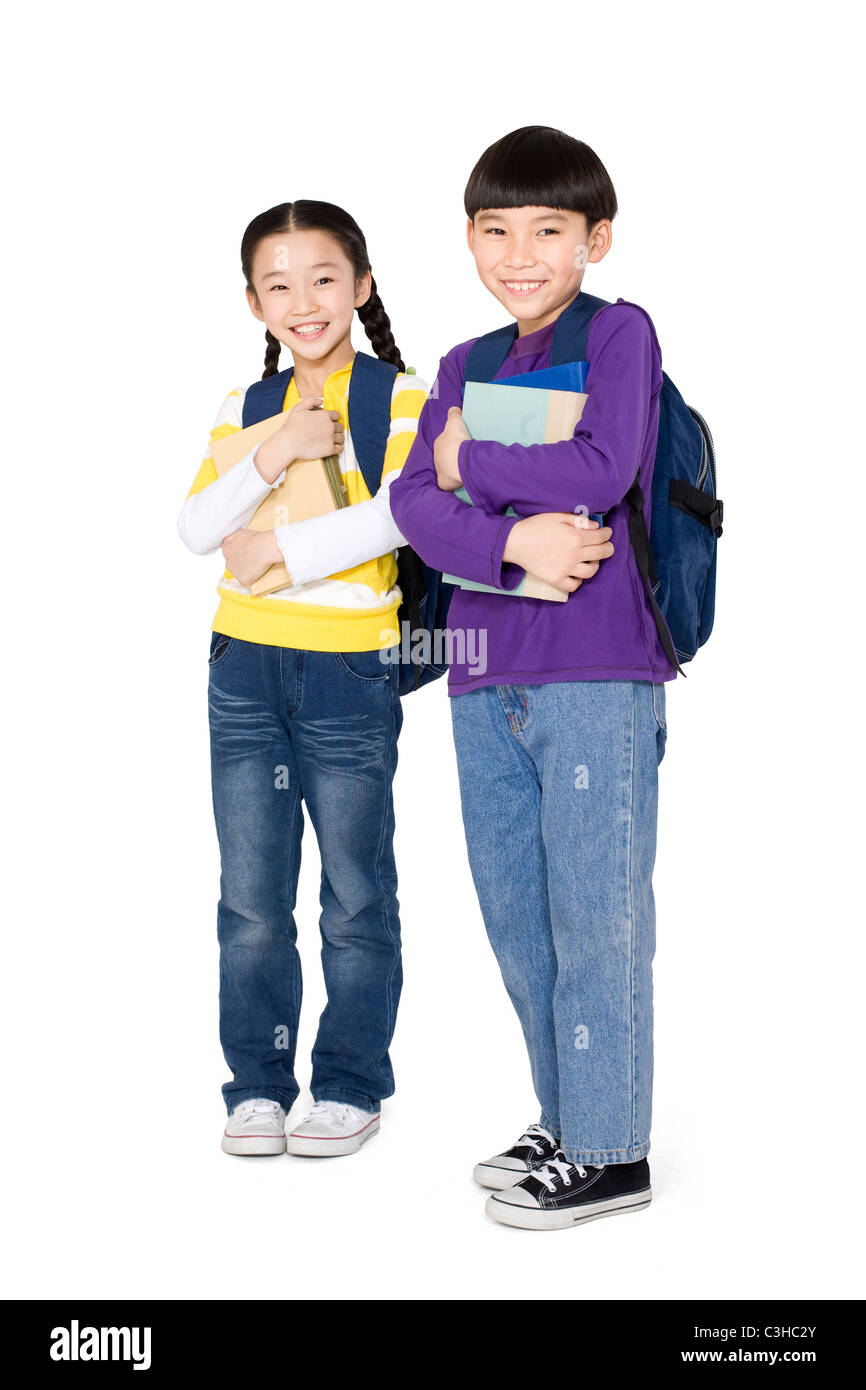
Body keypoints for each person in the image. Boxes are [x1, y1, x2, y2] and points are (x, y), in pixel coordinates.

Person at [390, 126, 674, 1229]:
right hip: (476, 669)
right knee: (516, 912)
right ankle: (566, 1113)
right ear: (468, 238)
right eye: (497, 230)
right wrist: (513, 543)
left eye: (549, 230)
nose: (521, 253)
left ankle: (613, 1151)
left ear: (592, 239)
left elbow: (605, 465)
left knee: (594, 912)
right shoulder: (459, 365)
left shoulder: (617, 335)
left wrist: (472, 465)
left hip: (595, 668)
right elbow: (414, 505)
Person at [178, 201, 427, 1160]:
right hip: (242, 667)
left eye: (324, 278)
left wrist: (268, 546)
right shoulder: (245, 411)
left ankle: (352, 1082)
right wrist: (278, 452)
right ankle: (258, 1085)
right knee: (250, 895)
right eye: (277, 284)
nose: (303, 300)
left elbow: (397, 521)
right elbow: (198, 533)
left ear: (361, 287)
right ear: (254, 303)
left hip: (349, 671)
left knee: (357, 891)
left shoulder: (403, 397)